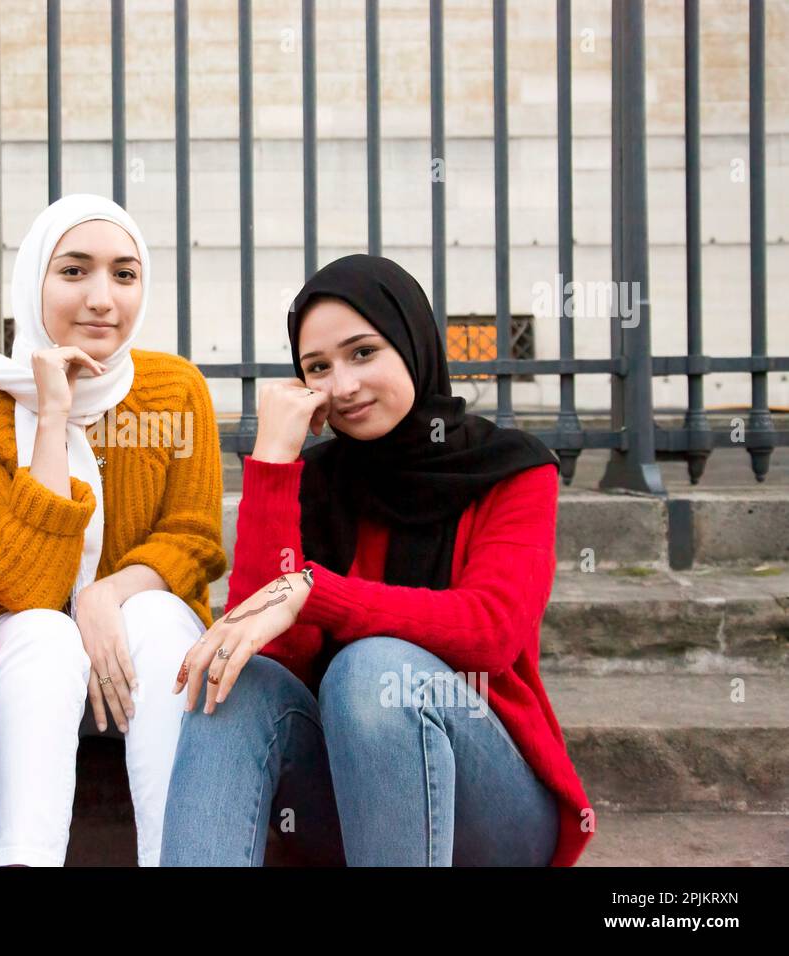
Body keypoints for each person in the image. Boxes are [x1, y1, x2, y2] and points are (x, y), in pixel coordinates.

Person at [161, 253, 594, 867]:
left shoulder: (511, 468)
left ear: (411, 341)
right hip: (340, 809)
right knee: (237, 679)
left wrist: (314, 590)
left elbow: (492, 631)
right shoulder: (317, 481)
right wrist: (274, 463)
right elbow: (263, 643)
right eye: (318, 367)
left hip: (493, 815)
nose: (342, 386)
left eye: (363, 352)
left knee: (373, 672)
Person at [0, 194, 226, 866]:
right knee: (45, 634)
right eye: (73, 272)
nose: (101, 298)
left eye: (123, 274)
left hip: (141, 652)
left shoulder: (175, 390)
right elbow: (20, 585)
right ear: (33, 280)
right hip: (27, 649)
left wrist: (105, 594)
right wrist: (53, 419)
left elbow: (195, 537)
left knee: (153, 611)